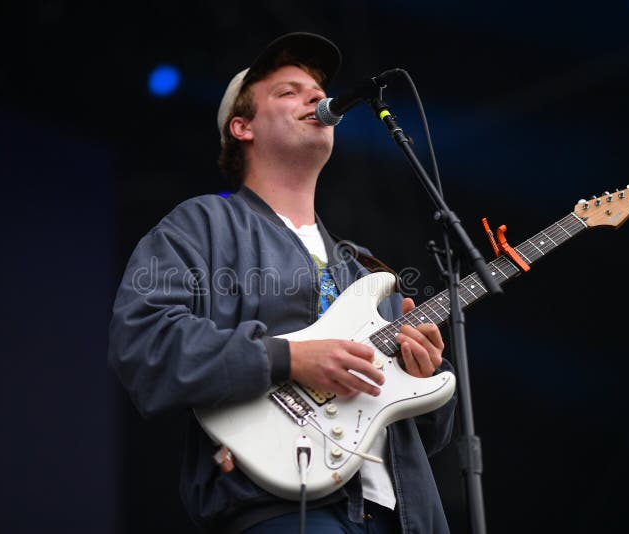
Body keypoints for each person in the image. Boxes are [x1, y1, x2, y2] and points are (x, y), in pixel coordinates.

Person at [108, 32, 457, 533]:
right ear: (242, 127)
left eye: (316, 89)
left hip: (405, 517)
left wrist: (423, 376)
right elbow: (143, 343)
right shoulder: (202, 225)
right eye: (289, 91)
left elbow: (421, 428)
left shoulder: (363, 268)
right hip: (284, 510)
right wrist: (288, 357)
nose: (316, 96)